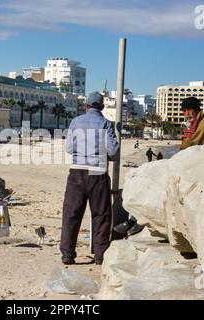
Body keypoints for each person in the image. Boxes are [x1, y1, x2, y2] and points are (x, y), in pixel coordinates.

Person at [61, 91, 119, 266]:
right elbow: (114, 152)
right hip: (98, 173)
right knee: (101, 215)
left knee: (71, 214)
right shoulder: (105, 124)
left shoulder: (75, 122)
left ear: (86, 106)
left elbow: (69, 148)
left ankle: (68, 255)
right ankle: (100, 256)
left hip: (77, 173)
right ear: (102, 107)